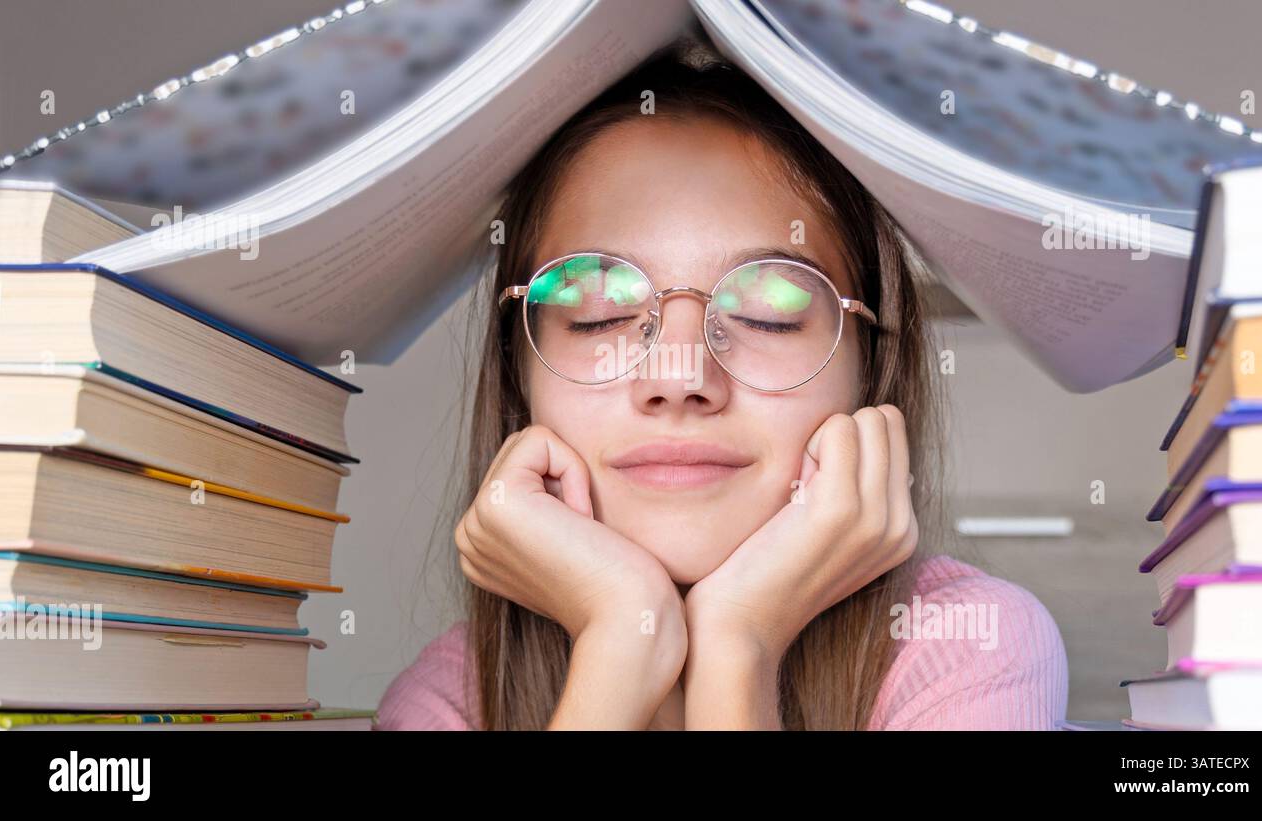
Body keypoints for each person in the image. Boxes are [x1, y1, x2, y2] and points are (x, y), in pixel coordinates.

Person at [377, 36, 1067, 730]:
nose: (680, 378)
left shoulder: (970, 650)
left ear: (871, 370)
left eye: (771, 311)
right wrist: (622, 641)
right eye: (600, 313)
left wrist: (742, 643)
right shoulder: (444, 701)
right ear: (516, 367)